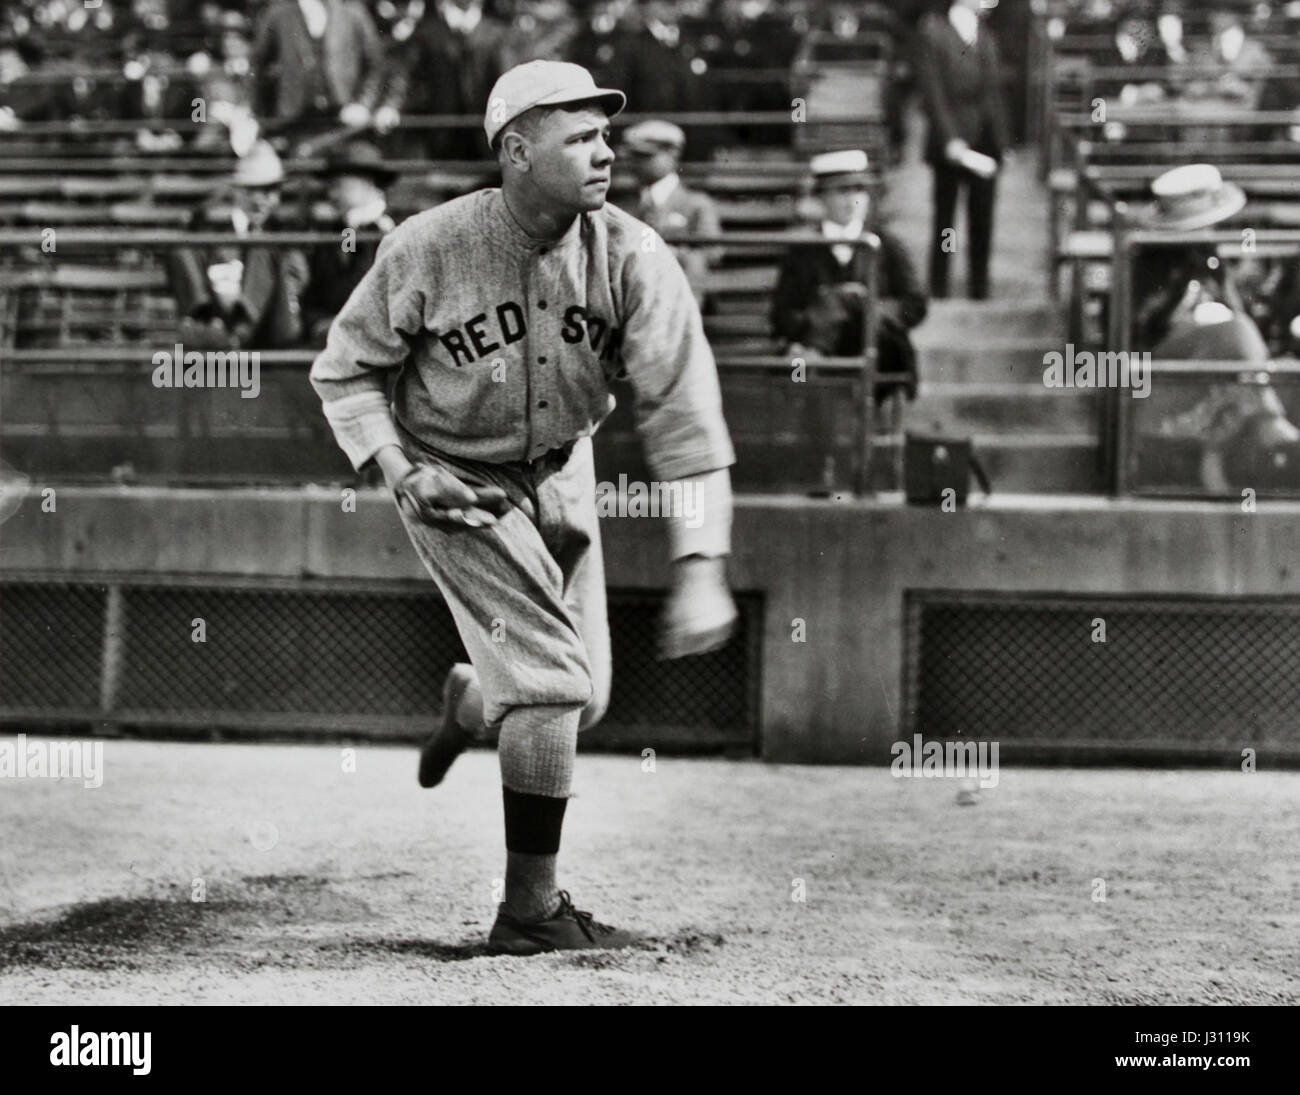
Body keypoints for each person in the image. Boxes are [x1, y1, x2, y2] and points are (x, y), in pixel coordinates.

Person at [309, 60, 738, 955]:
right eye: (579, 136)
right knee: (551, 684)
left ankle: (472, 700)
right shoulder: (427, 245)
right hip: (454, 477)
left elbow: (685, 415)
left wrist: (702, 568)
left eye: (605, 134)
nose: (605, 151)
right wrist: (398, 469)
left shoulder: (632, 254)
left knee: (586, 702)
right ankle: (529, 912)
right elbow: (346, 370)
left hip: (565, 467)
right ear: (515, 149)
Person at [771, 149, 927, 401]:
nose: (852, 200)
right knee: (839, 299)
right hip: (828, 365)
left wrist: (866, 307)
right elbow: (781, 315)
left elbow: (915, 303)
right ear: (821, 197)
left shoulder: (886, 244)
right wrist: (819, 316)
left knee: (847, 299)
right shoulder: (802, 252)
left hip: (878, 352)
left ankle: (815, 351)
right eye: (842, 191)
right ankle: (817, 351)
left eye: (859, 190)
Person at [168, 140, 310, 350]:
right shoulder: (212, 227)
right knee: (182, 249)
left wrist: (242, 293)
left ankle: (235, 332)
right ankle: (207, 323)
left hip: (271, 324)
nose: (260, 200)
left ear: (278, 195)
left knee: (263, 247)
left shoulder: (284, 231)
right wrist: (223, 288)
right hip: (219, 315)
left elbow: (296, 279)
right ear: (237, 192)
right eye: (252, 191)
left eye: (269, 191)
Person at [914, 0, 1011, 300]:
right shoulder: (935, 32)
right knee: (946, 220)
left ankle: (978, 285)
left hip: (984, 139)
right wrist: (949, 138)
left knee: (982, 216)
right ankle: (939, 284)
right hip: (950, 139)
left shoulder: (986, 35)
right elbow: (933, 92)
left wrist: (1003, 142)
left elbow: (994, 93)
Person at [301, 140, 398, 346]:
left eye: (339, 186)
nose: (332, 195)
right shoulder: (343, 229)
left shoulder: (394, 228)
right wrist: (318, 322)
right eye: (331, 187)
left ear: (367, 183)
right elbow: (324, 287)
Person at [250, 0, 388, 143]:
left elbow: (375, 65)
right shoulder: (278, 13)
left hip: (344, 122)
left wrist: (363, 104)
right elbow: (256, 67)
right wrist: (253, 114)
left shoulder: (352, 11)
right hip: (293, 123)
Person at [621, 119, 721, 308]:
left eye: (646, 156)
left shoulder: (697, 204)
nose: (636, 165)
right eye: (634, 157)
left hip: (678, 296)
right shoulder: (627, 205)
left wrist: (668, 254)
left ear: (673, 154)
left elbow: (712, 253)